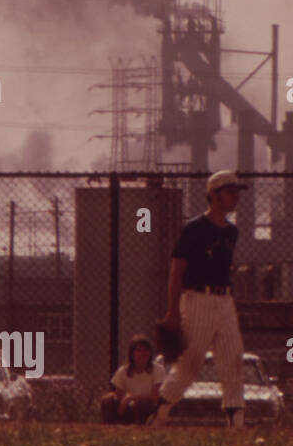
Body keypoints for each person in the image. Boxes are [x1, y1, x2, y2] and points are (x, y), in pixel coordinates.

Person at [153, 170, 250, 429]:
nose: (236, 197)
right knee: (191, 362)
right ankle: (159, 410)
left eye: (237, 192)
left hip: (224, 299)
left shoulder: (232, 231)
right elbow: (177, 270)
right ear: (214, 195)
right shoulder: (194, 229)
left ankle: (236, 420)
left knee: (233, 357)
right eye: (231, 192)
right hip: (197, 298)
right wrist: (172, 310)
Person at [100, 335, 166, 424]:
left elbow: (155, 398)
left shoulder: (158, 369)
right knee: (107, 399)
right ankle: (110, 429)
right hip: (128, 408)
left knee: (141, 403)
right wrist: (113, 398)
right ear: (132, 353)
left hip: (148, 408)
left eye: (146, 350)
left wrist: (130, 398)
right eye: (139, 350)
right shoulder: (124, 371)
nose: (143, 354)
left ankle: (141, 429)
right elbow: (118, 396)